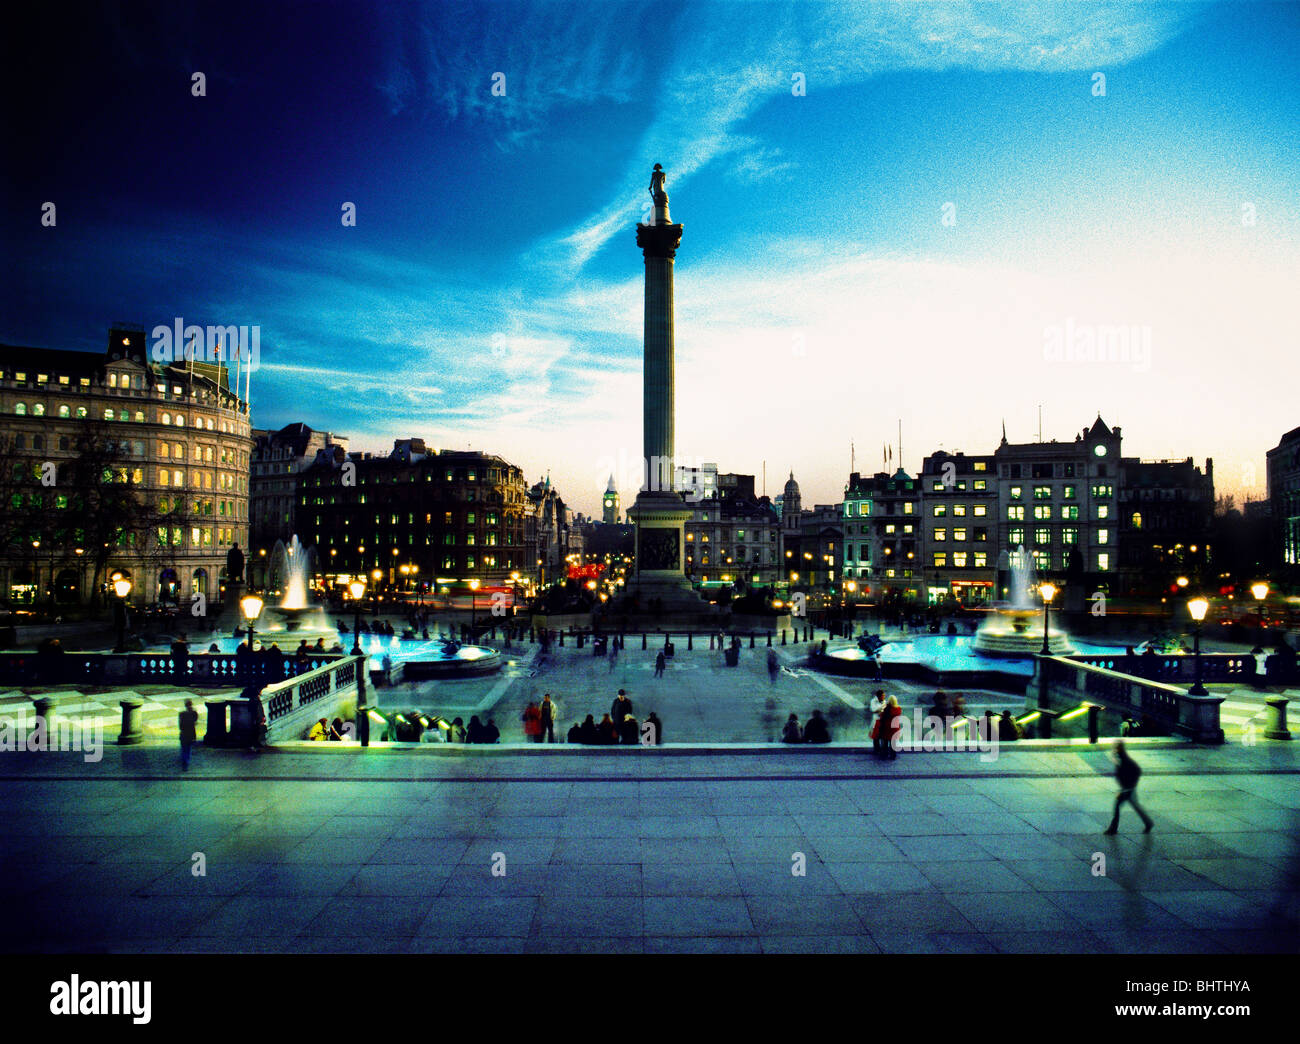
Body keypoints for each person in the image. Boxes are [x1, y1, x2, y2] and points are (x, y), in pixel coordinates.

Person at [1104, 741, 1154, 834]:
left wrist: (1129, 786)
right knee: (1136, 806)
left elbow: (1136, 771)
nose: (1114, 750)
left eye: (1115, 748)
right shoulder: (1122, 758)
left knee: (1117, 806)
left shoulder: (1124, 759)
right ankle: (1148, 823)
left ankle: (1113, 828)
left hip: (1127, 789)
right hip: (1127, 788)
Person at [178, 698, 199, 770]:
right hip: (191, 734)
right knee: (188, 749)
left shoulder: (181, 714)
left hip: (183, 733)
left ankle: (184, 761)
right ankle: (186, 762)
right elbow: (195, 721)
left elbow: (180, 726)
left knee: (184, 749)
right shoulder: (194, 713)